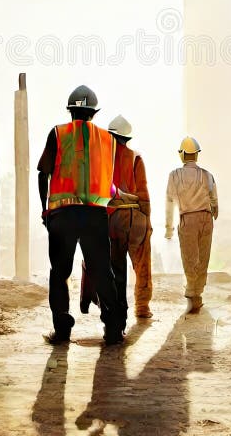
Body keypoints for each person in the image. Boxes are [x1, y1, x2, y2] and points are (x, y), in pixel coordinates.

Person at [37, 84, 124, 345]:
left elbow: (44, 173)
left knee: (59, 273)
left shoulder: (58, 133)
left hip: (63, 215)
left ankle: (62, 329)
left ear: (70, 111)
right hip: (95, 215)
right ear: (94, 113)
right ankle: (113, 329)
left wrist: (45, 208)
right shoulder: (108, 140)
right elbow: (109, 181)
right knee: (102, 271)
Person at [80, 114, 153, 325]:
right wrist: (147, 223)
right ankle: (143, 307)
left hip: (111, 220)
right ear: (126, 138)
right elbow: (145, 197)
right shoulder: (136, 158)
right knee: (143, 265)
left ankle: (117, 316)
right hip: (136, 219)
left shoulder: (100, 160)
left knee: (115, 270)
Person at [165, 136, 218, 313]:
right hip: (206, 218)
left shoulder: (174, 175)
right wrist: (213, 215)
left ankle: (192, 293)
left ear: (182, 154)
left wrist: (169, 228)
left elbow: (169, 201)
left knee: (190, 258)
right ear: (197, 154)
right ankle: (198, 294)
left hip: (188, 219)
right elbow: (214, 200)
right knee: (203, 258)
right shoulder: (207, 175)